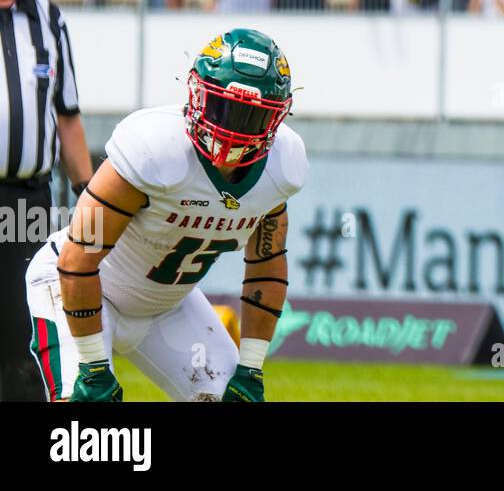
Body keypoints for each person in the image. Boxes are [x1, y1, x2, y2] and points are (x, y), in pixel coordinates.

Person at [26, 29, 306, 401]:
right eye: (222, 108)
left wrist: (251, 368)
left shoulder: (281, 168)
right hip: (81, 289)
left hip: (167, 307)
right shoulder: (155, 149)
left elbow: (266, 269)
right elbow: (79, 257)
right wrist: (93, 368)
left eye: (250, 117)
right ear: (197, 95)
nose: (231, 129)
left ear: (276, 119)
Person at [0, 0, 91, 401]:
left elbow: (68, 115)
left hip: (28, 204)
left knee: (26, 331)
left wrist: (89, 195)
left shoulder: (48, 18)